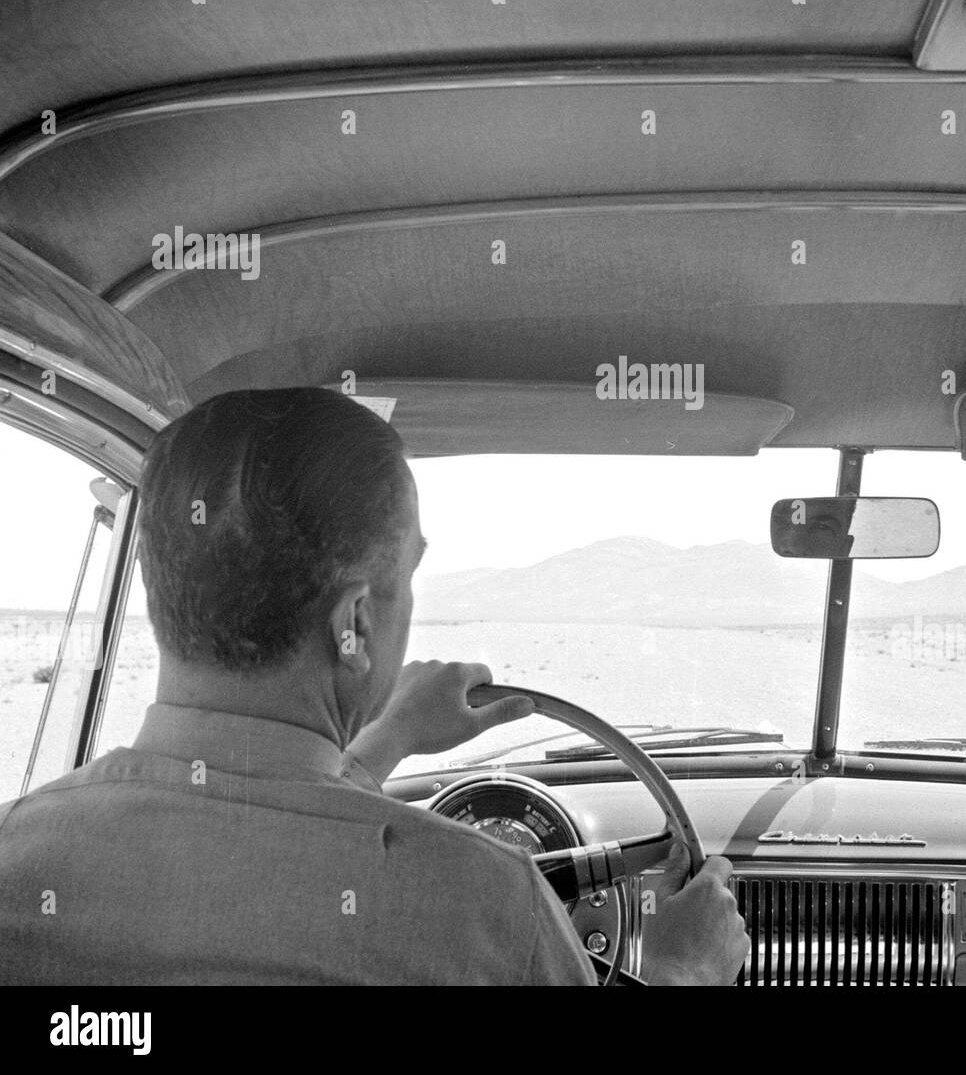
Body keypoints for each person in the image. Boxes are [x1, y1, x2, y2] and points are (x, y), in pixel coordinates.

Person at [0, 387, 749, 985]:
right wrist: (683, 971)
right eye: (409, 575)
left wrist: (381, 740)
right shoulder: (487, 908)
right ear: (354, 621)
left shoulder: (16, 860)